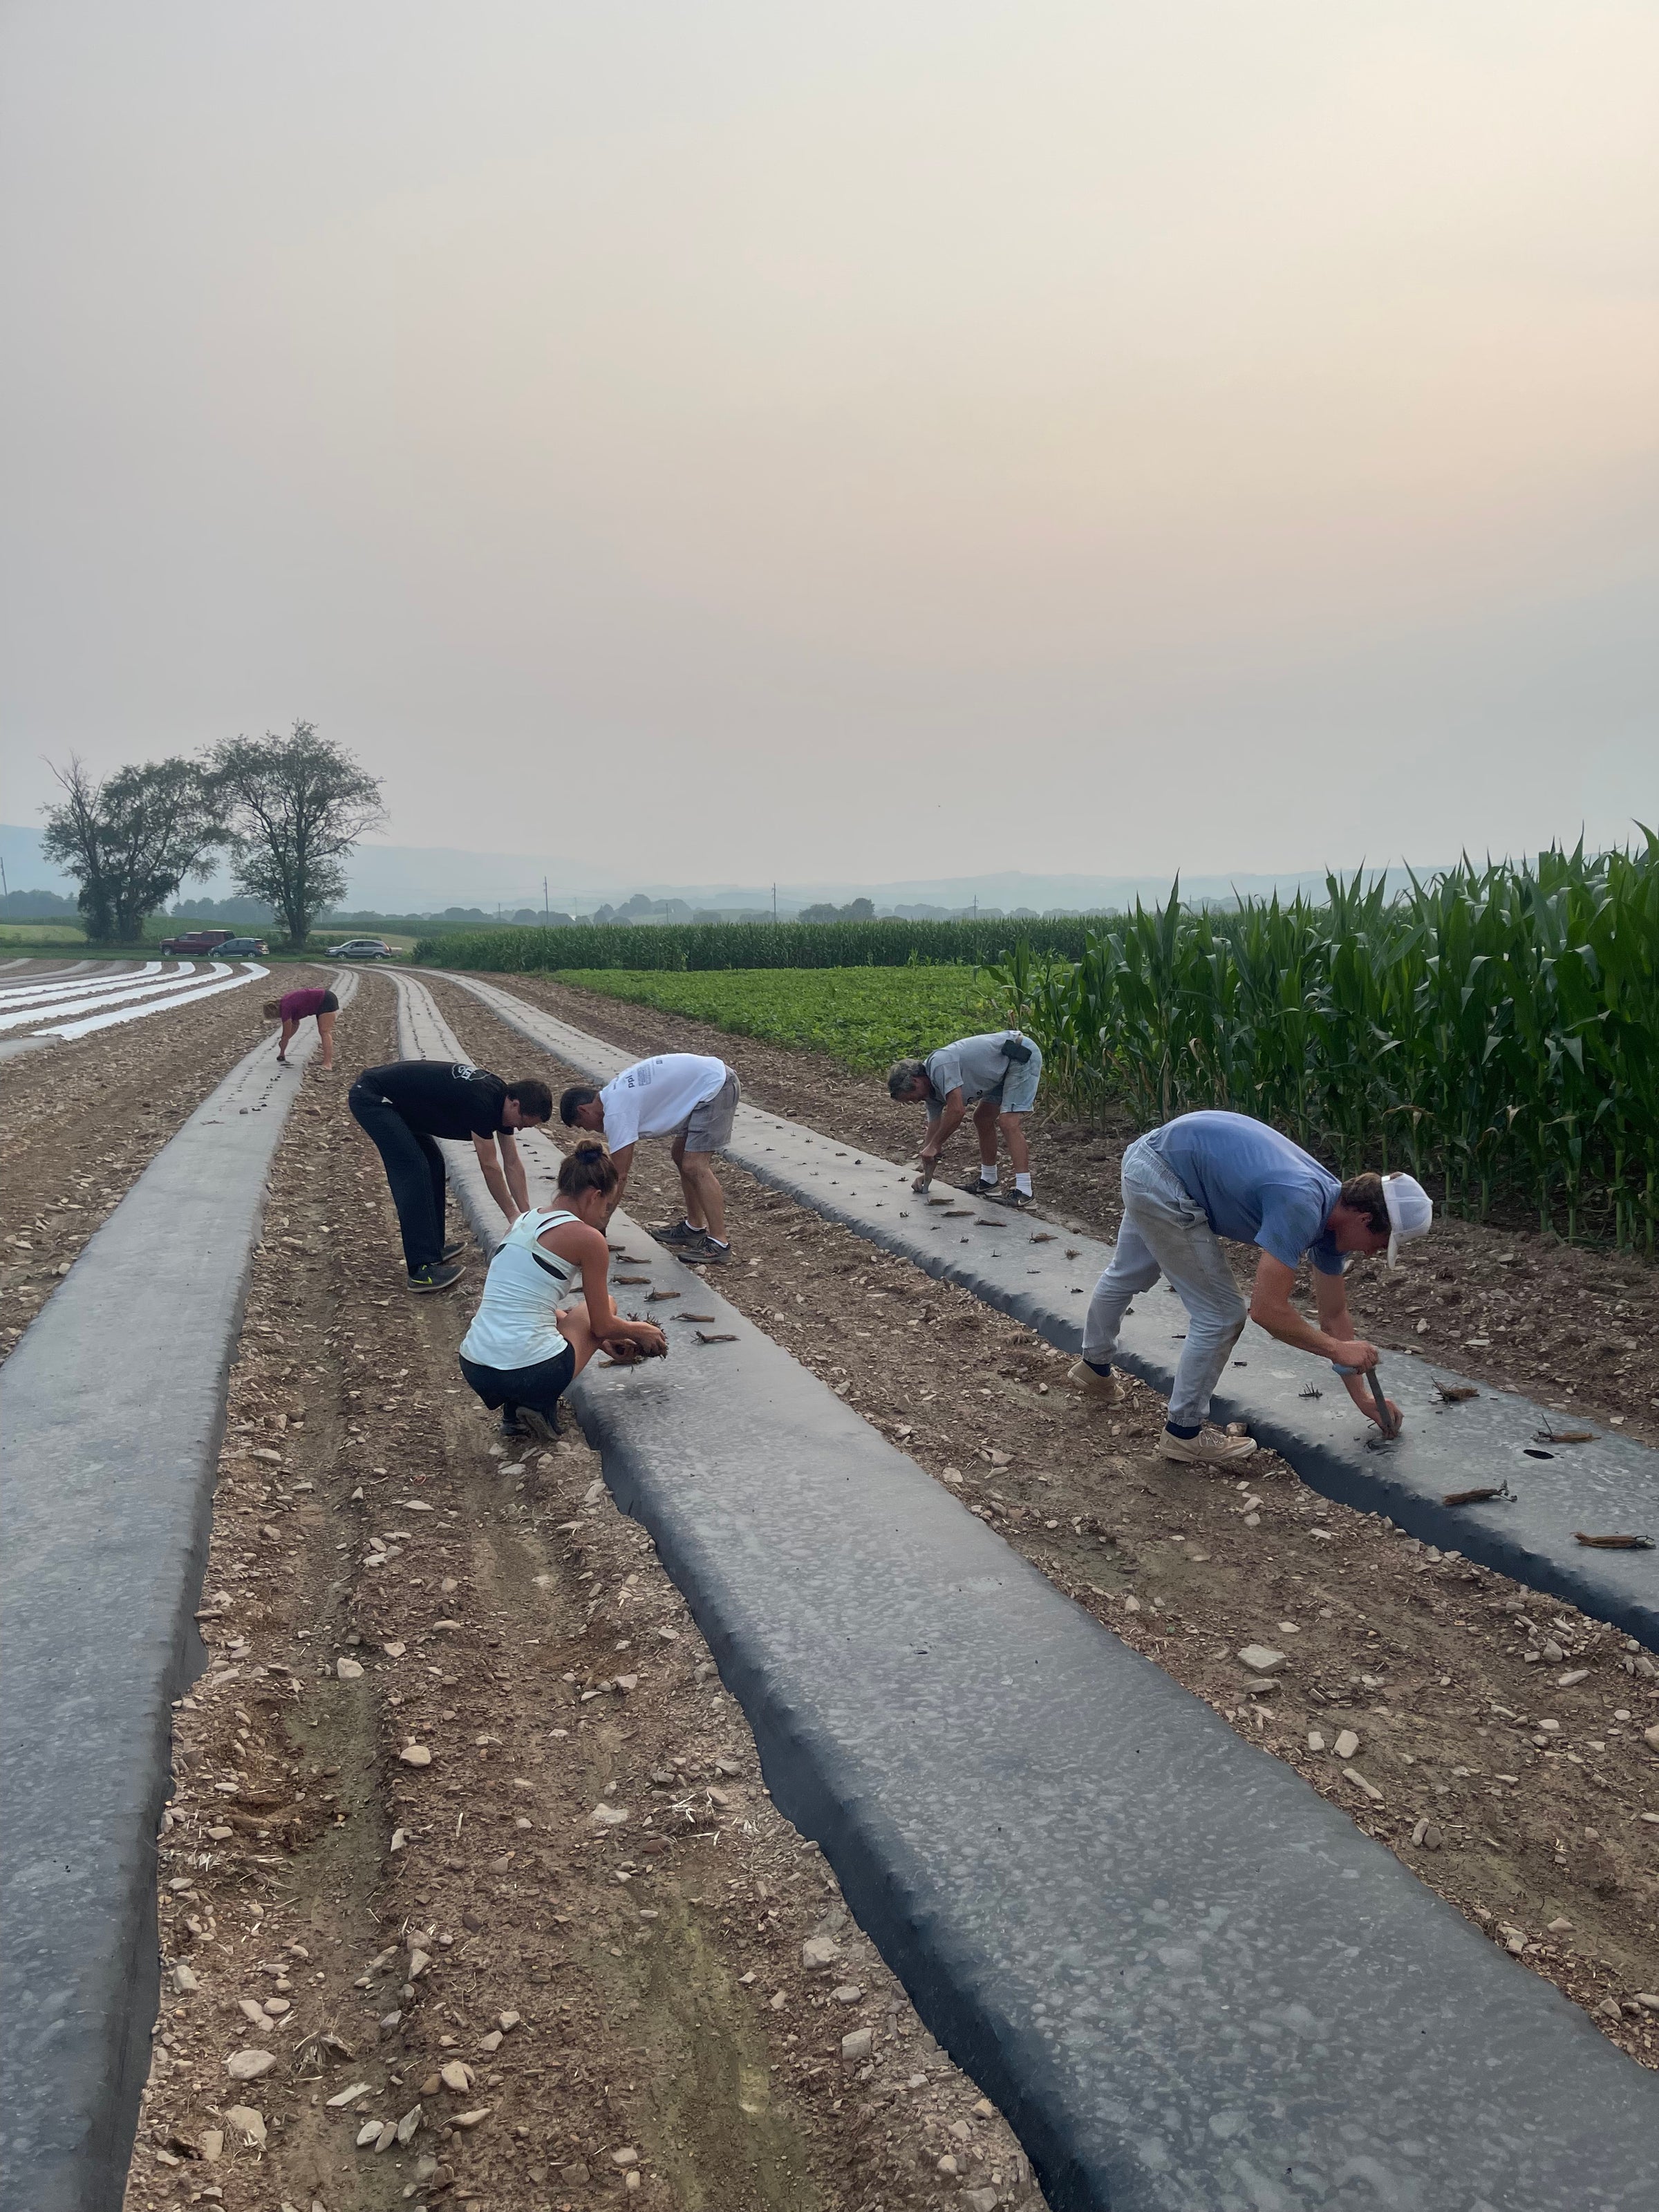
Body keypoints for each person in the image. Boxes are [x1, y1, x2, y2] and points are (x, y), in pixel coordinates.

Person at [1068, 1109, 1433, 1465]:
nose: (1372, 1254)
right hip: (1165, 1176)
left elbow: (1334, 1315)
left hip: (1152, 1157)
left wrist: (1365, 1399)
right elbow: (1267, 1311)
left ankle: (1093, 1370)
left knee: (1127, 1273)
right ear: (1366, 1219)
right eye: (1381, 1244)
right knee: (1222, 1315)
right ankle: (1184, 1434)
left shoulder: (1331, 1218)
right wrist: (1335, 1349)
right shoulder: (1302, 1205)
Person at [458, 1136, 668, 1444]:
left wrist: (600, 1341)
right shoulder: (588, 1238)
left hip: (476, 1365)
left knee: (562, 1318)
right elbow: (601, 1324)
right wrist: (641, 1331)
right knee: (605, 1304)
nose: (604, 1216)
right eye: (607, 1207)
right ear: (594, 1196)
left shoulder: (523, 1221)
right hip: (530, 1370)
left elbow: (527, 1301)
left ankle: (514, 1414)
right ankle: (535, 1404)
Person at [348, 1059, 554, 1293]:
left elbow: (512, 1163)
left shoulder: (503, 1101)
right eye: (522, 1124)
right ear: (515, 1105)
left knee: (434, 1163)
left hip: (400, 1105)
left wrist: (525, 1216)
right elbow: (490, 1166)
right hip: (374, 1099)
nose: (518, 1129)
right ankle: (421, 1270)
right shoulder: (483, 1102)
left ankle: (433, 1247)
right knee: (414, 1169)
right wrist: (512, 1216)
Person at [559, 1053, 740, 1263]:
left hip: (716, 1086)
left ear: (584, 1110)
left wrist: (600, 1223)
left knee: (694, 1165)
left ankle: (719, 1242)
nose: (589, 1131)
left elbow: (619, 1175)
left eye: (582, 1125)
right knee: (680, 1156)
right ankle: (694, 1228)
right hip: (702, 1083)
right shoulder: (613, 1097)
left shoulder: (617, 1110)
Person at [887, 1031, 1044, 1208]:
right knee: (982, 1118)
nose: (915, 1102)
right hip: (1000, 1068)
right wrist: (927, 1174)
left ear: (916, 1081)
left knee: (1008, 1122)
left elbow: (957, 1111)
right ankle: (989, 1182)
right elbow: (933, 1133)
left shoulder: (940, 1066)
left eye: (912, 1098)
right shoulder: (930, 1094)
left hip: (1019, 1053)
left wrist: (935, 1146)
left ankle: (1025, 1192)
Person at [265, 985, 339, 1070]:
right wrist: (285, 1041)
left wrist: (282, 1052)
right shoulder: (286, 1002)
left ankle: (328, 1064)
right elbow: (295, 1024)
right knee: (323, 1032)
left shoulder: (285, 1009)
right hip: (323, 1000)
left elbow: (286, 1034)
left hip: (326, 1000)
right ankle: (326, 1061)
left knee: (325, 1032)